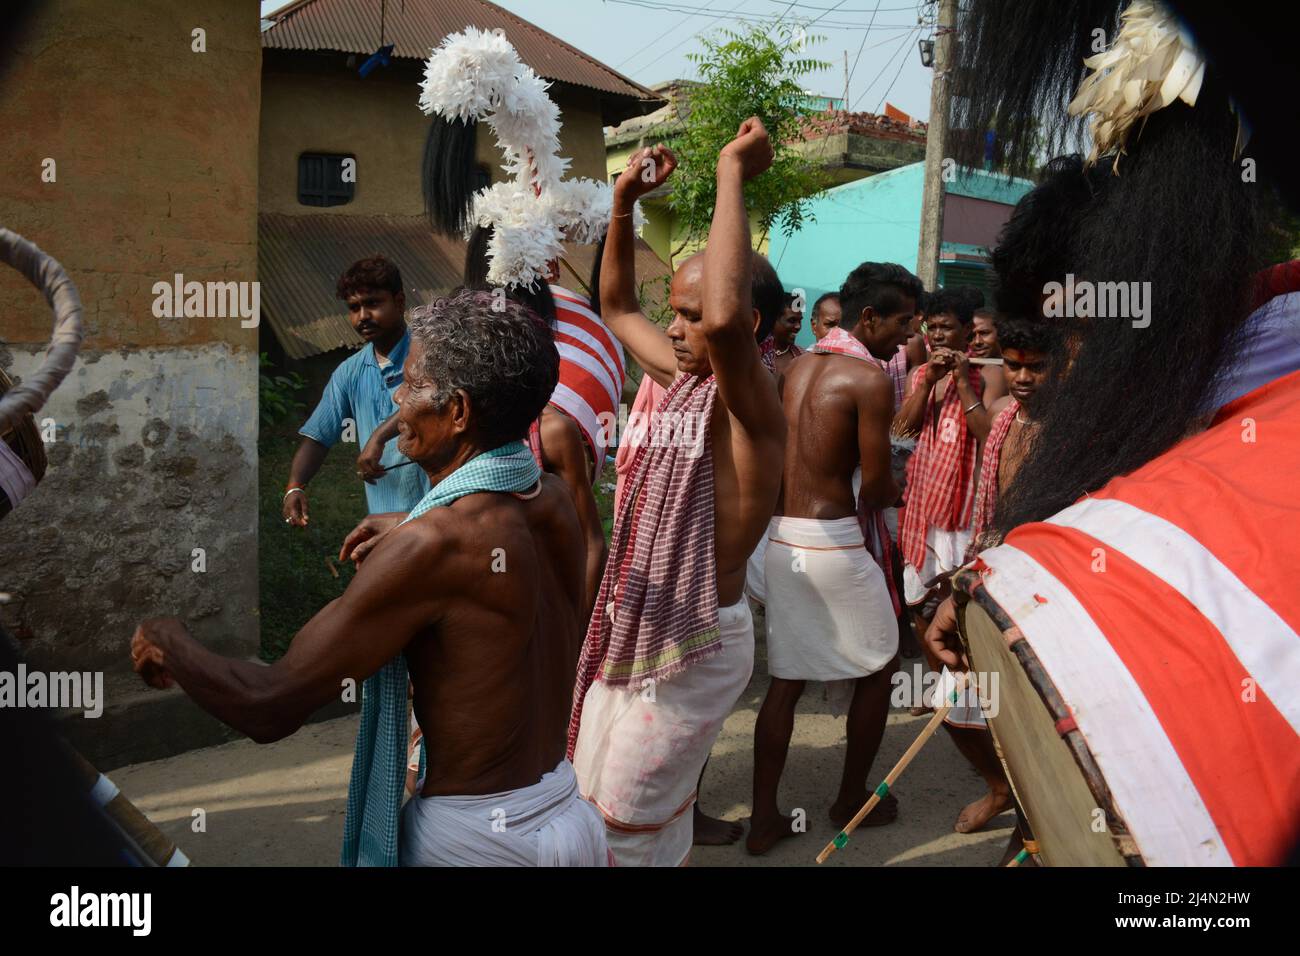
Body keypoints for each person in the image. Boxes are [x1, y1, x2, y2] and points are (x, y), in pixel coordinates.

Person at [131, 290, 607, 867]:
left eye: (408, 384)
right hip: (565, 811)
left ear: (458, 411)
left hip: (479, 844)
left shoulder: (433, 546)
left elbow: (270, 703)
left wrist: (168, 639)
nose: (399, 401)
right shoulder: (551, 500)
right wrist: (414, 524)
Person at [568, 119, 786, 866]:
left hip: (691, 650)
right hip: (637, 626)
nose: (679, 325)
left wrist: (733, 172)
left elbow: (724, 323)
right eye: (679, 309)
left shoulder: (751, 416)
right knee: (615, 816)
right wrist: (623, 200)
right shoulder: (682, 378)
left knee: (617, 833)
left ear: (748, 330)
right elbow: (620, 306)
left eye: (692, 315)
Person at [747, 261, 921, 854]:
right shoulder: (867, 380)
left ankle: (764, 816)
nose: (906, 337)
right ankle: (851, 798)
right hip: (832, 542)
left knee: (785, 680)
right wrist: (900, 489)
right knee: (882, 663)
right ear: (867, 317)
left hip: (780, 539)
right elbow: (874, 487)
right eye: (901, 323)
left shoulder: (792, 367)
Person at [893, 286, 1005, 642]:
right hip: (921, 508)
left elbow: (988, 437)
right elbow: (901, 431)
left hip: (962, 513)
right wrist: (927, 383)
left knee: (958, 605)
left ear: (965, 332)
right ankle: (933, 686)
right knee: (920, 605)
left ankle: (955, 685)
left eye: (946, 327)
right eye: (932, 327)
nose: (937, 335)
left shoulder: (989, 374)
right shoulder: (919, 374)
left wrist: (961, 381)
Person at [283, 256, 430, 528]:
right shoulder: (349, 373)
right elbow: (318, 437)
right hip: (383, 521)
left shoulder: (429, 354)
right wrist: (295, 486)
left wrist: (378, 437)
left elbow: (427, 400)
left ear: (399, 302)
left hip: (437, 515)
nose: (362, 316)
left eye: (373, 303)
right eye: (354, 307)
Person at [771, 292, 804, 377]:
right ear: (774, 320)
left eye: (800, 321)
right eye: (792, 320)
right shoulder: (757, 353)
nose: (798, 326)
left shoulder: (802, 357)